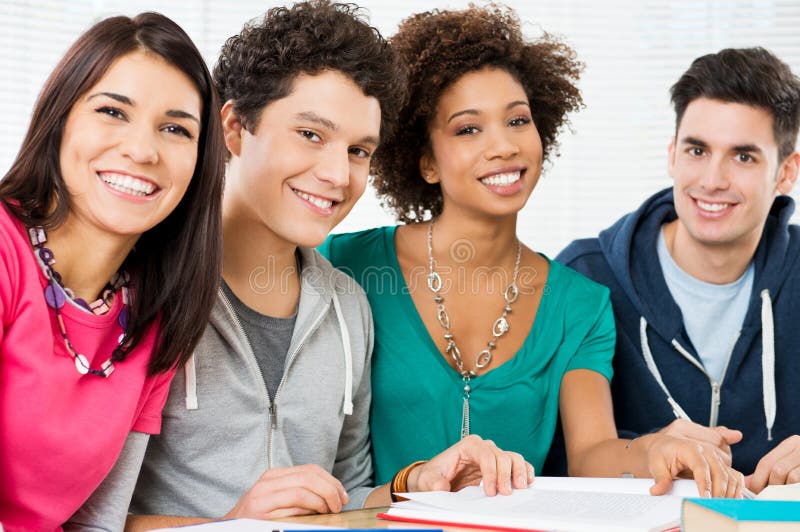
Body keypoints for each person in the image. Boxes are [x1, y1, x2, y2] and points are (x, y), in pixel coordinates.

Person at [127, 2, 530, 529]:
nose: (339, 174)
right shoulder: (141, 282)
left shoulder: (347, 306)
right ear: (233, 128)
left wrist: (416, 484)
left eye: (359, 150)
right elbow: (79, 515)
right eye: (311, 135)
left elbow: (345, 494)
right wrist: (231, 524)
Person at [322, 4, 744, 498]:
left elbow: (592, 454)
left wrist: (654, 450)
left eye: (518, 120)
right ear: (426, 161)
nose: (504, 145)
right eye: (468, 128)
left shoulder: (579, 305)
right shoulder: (347, 265)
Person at [0, 12, 225, 531]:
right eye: (112, 112)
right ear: (59, 120)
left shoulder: (157, 313)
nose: (142, 150)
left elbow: (99, 524)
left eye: (175, 128)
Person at [556, 47, 800, 493]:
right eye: (697, 150)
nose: (712, 180)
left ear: (786, 172)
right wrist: (647, 453)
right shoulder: (585, 277)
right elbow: (564, 460)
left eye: (743, 157)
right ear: (672, 155)